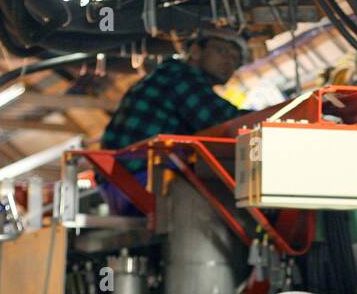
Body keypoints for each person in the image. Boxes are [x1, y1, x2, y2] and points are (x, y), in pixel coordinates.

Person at [98, 26, 246, 215]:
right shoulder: (178, 75)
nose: (228, 61)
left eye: (235, 59)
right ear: (195, 51)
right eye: (221, 50)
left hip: (124, 182)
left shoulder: (169, 75)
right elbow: (222, 120)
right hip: (142, 179)